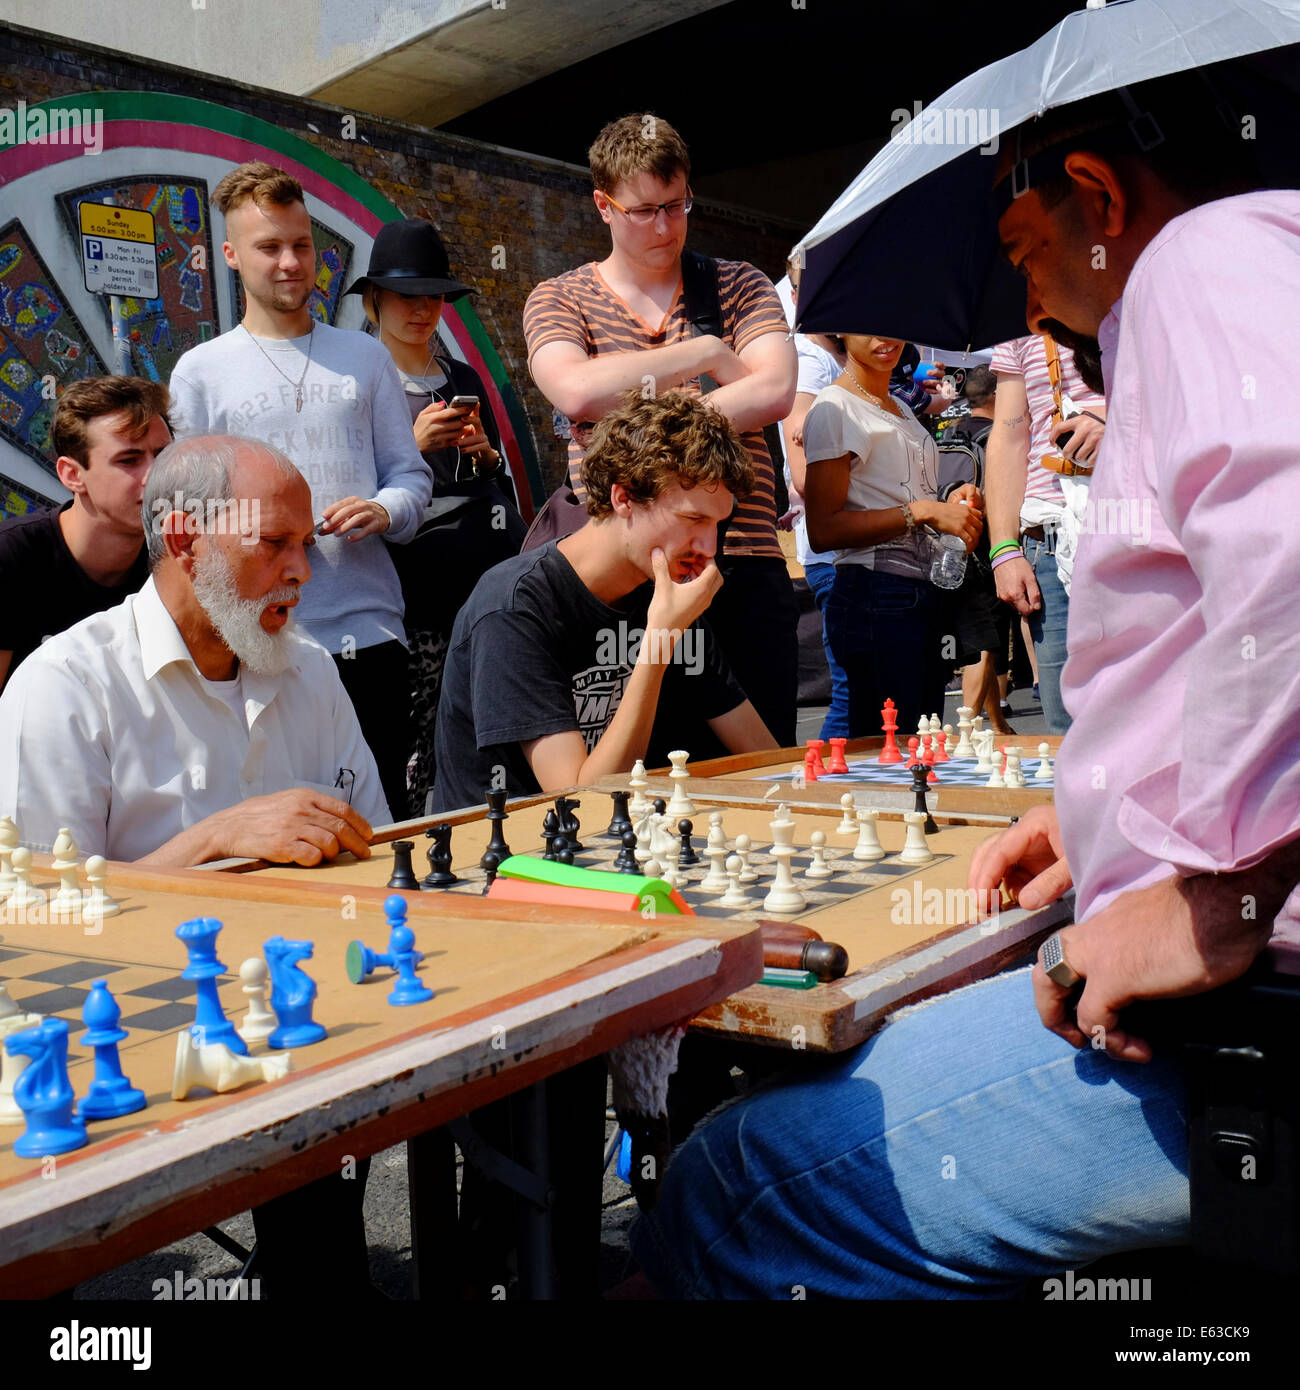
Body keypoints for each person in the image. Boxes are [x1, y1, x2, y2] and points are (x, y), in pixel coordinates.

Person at [629, 71, 1300, 1299]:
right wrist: (1106, 815)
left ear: (1095, 193)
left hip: (1252, 1024)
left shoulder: (1206, 255)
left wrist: (1218, 890)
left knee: (732, 1184)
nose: (1026, 290)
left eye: (1024, 244)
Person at [523, 114, 797, 751]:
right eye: (644, 210)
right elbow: (575, 390)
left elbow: (776, 391)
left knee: (764, 786)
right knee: (640, 793)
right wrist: (705, 353)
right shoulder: (560, 298)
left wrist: (622, 423)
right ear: (603, 205)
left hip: (743, 565)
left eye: (677, 206)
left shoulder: (739, 283)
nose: (665, 227)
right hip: (626, 582)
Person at [168, 161, 432, 817]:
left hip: (370, 637)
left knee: (379, 826)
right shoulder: (199, 373)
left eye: (301, 244)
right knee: (274, 823)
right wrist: (259, 537)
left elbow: (412, 478)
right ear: (230, 254)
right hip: (258, 642)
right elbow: (182, 517)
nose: (290, 262)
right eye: (269, 247)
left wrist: (383, 508)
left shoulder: (366, 357)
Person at [0, 434, 387, 864]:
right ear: (184, 541)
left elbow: (377, 850)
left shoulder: (310, 669)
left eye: (306, 544)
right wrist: (214, 838)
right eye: (274, 542)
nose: (301, 572)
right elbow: (44, 908)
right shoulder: (66, 685)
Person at [429, 392, 774, 813]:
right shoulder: (516, 606)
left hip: (615, 847)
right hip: (508, 859)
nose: (708, 547)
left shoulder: (663, 582)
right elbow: (582, 798)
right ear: (623, 497)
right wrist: (661, 640)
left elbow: (760, 756)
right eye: (693, 519)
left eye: (718, 524)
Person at [346, 218, 527, 815]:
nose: (423, 310)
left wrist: (486, 453)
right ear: (374, 300)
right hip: (410, 595)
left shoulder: (462, 378)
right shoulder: (360, 383)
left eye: (434, 297)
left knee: (481, 730)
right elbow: (352, 498)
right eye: (407, 296)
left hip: (477, 585)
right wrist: (413, 447)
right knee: (414, 738)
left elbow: (495, 480)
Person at [801, 334, 983, 740]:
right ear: (840, 332)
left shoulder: (900, 405)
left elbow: (908, 494)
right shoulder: (833, 407)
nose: (885, 337)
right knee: (889, 755)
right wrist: (923, 511)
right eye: (867, 325)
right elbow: (823, 529)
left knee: (920, 747)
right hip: (875, 596)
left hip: (922, 594)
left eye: (892, 324)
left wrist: (951, 503)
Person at [0, 376, 171, 694]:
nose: (156, 476)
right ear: (72, 475)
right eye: (130, 460)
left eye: (163, 456)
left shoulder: (180, 556)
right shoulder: (11, 559)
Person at [984, 328, 1106, 734]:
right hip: (1048, 539)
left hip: (1139, 524)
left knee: (1159, 713)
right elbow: (1009, 435)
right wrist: (1003, 548)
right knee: (1067, 729)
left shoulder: (1147, 286)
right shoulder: (1017, 323)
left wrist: (1118, 420)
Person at [774, 261, 851, 740]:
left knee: (864, 686)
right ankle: (820, 784)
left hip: (848, 547)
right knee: (852, 687)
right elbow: (805, 476)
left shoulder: (832, 355)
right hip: (834, 550)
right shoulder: (808, 356)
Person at [938, 365, 1014, 734]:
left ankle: (995, 722)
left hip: (945, 549)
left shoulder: (946, 433)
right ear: (997, 397)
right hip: (985, 550)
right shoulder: (998, 437)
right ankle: (967, 727)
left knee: (974, 639)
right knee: (983, 643)